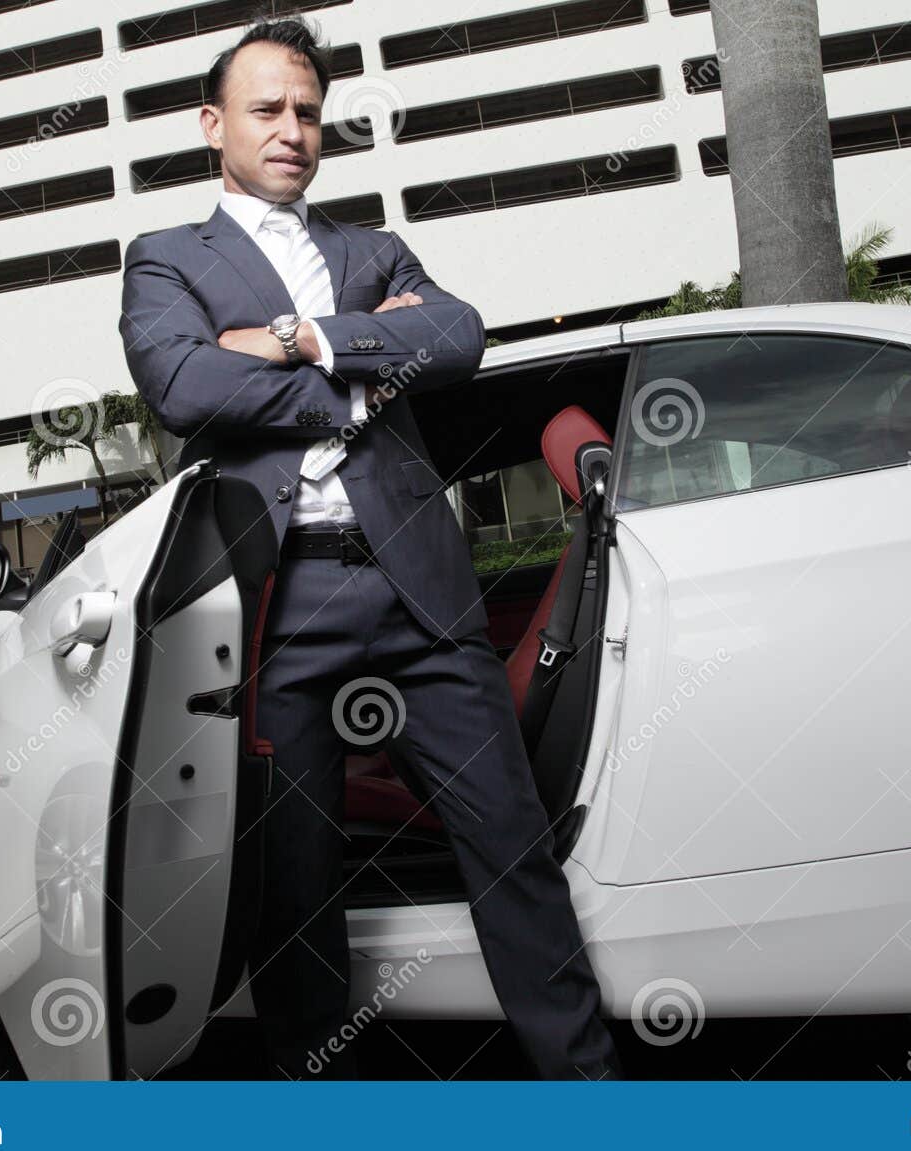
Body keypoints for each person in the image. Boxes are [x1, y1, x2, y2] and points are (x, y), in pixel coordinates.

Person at [116, 15, 621, 1081]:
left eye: (307, 111)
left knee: (512, 848)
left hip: (416, 586)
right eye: (267, 110)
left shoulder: (370, 249)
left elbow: (457, 336)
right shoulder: (166, 259)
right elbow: (184, 386)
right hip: (276, 602)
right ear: (214, 125)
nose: (292, 130)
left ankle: (590, 1097)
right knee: (294, 884)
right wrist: (363, 368)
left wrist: (304, 339)